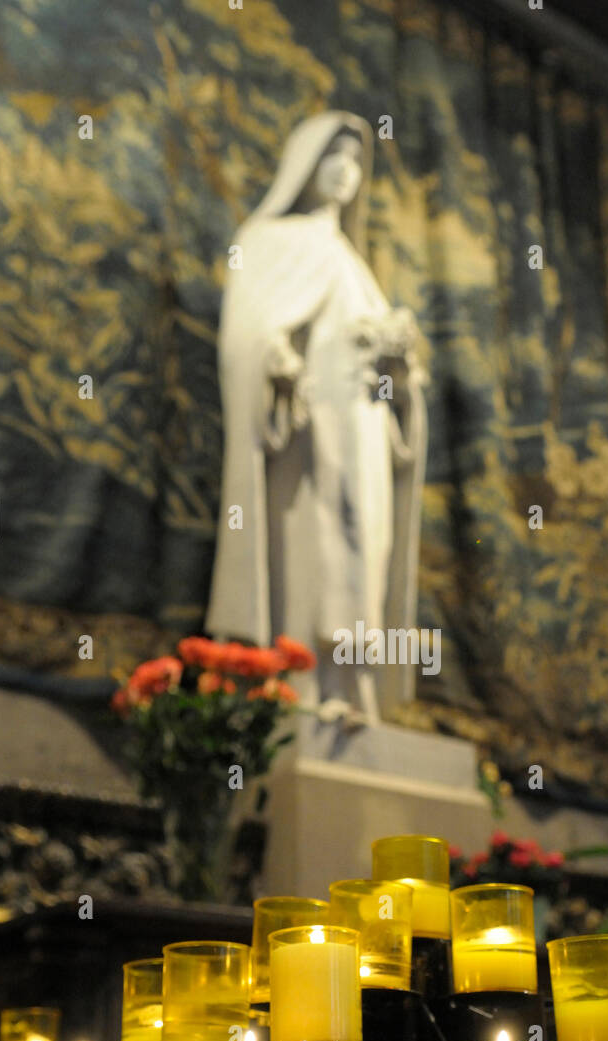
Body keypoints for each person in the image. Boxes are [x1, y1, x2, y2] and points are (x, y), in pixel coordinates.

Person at [206, 111, 427, 723]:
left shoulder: (356, 266)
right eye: (334, 156)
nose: (347, 173)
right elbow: (246, 337)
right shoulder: (270, 242)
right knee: (313, 552)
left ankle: (351, 690)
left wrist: (400, 374)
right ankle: (300, 689)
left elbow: (395, 382)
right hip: (307, 434)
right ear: (304, 165)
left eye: (356, 162)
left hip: (365, 438)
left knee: (364, 554)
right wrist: (272, 362)